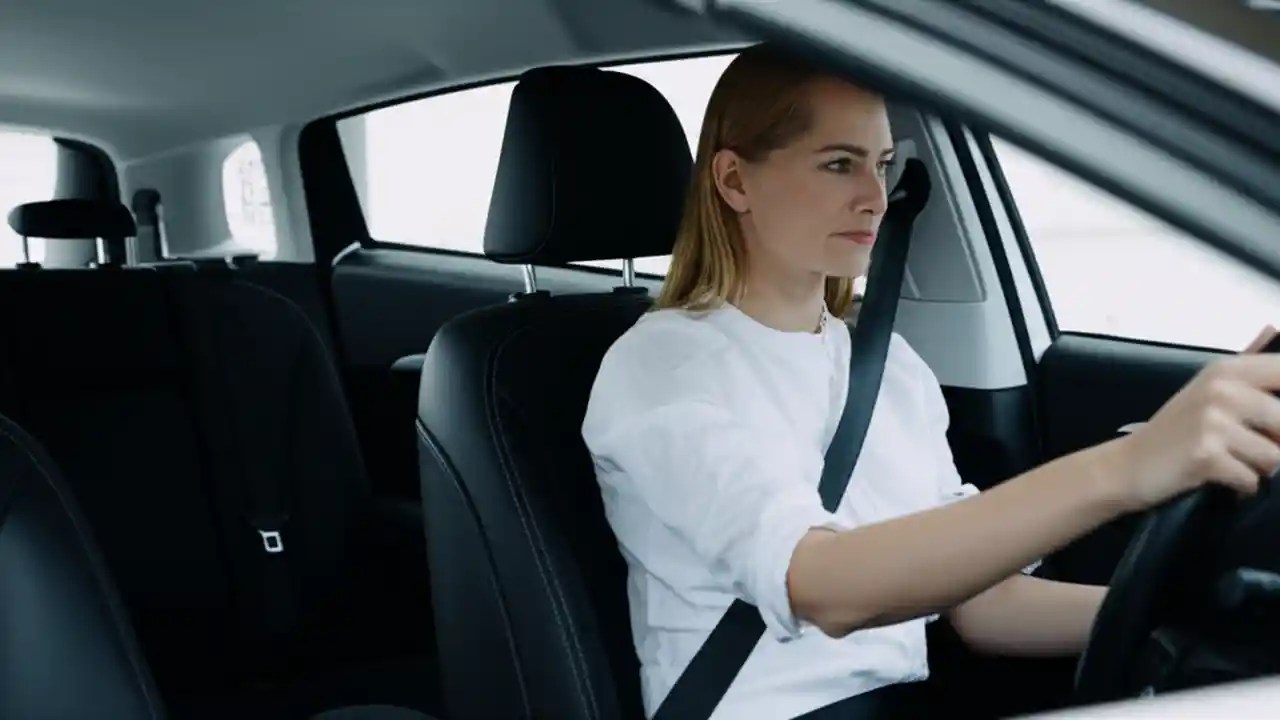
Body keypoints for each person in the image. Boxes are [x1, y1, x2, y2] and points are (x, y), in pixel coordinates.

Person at [581, 44, 1280, 720]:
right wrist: (1129, 467)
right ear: (735, 181)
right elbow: (823, 585)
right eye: (838, 164)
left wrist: (1173, 617)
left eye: (882, 165)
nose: (874, 198)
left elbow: (983, 608)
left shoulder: (889, 369)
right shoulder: (664, 369)